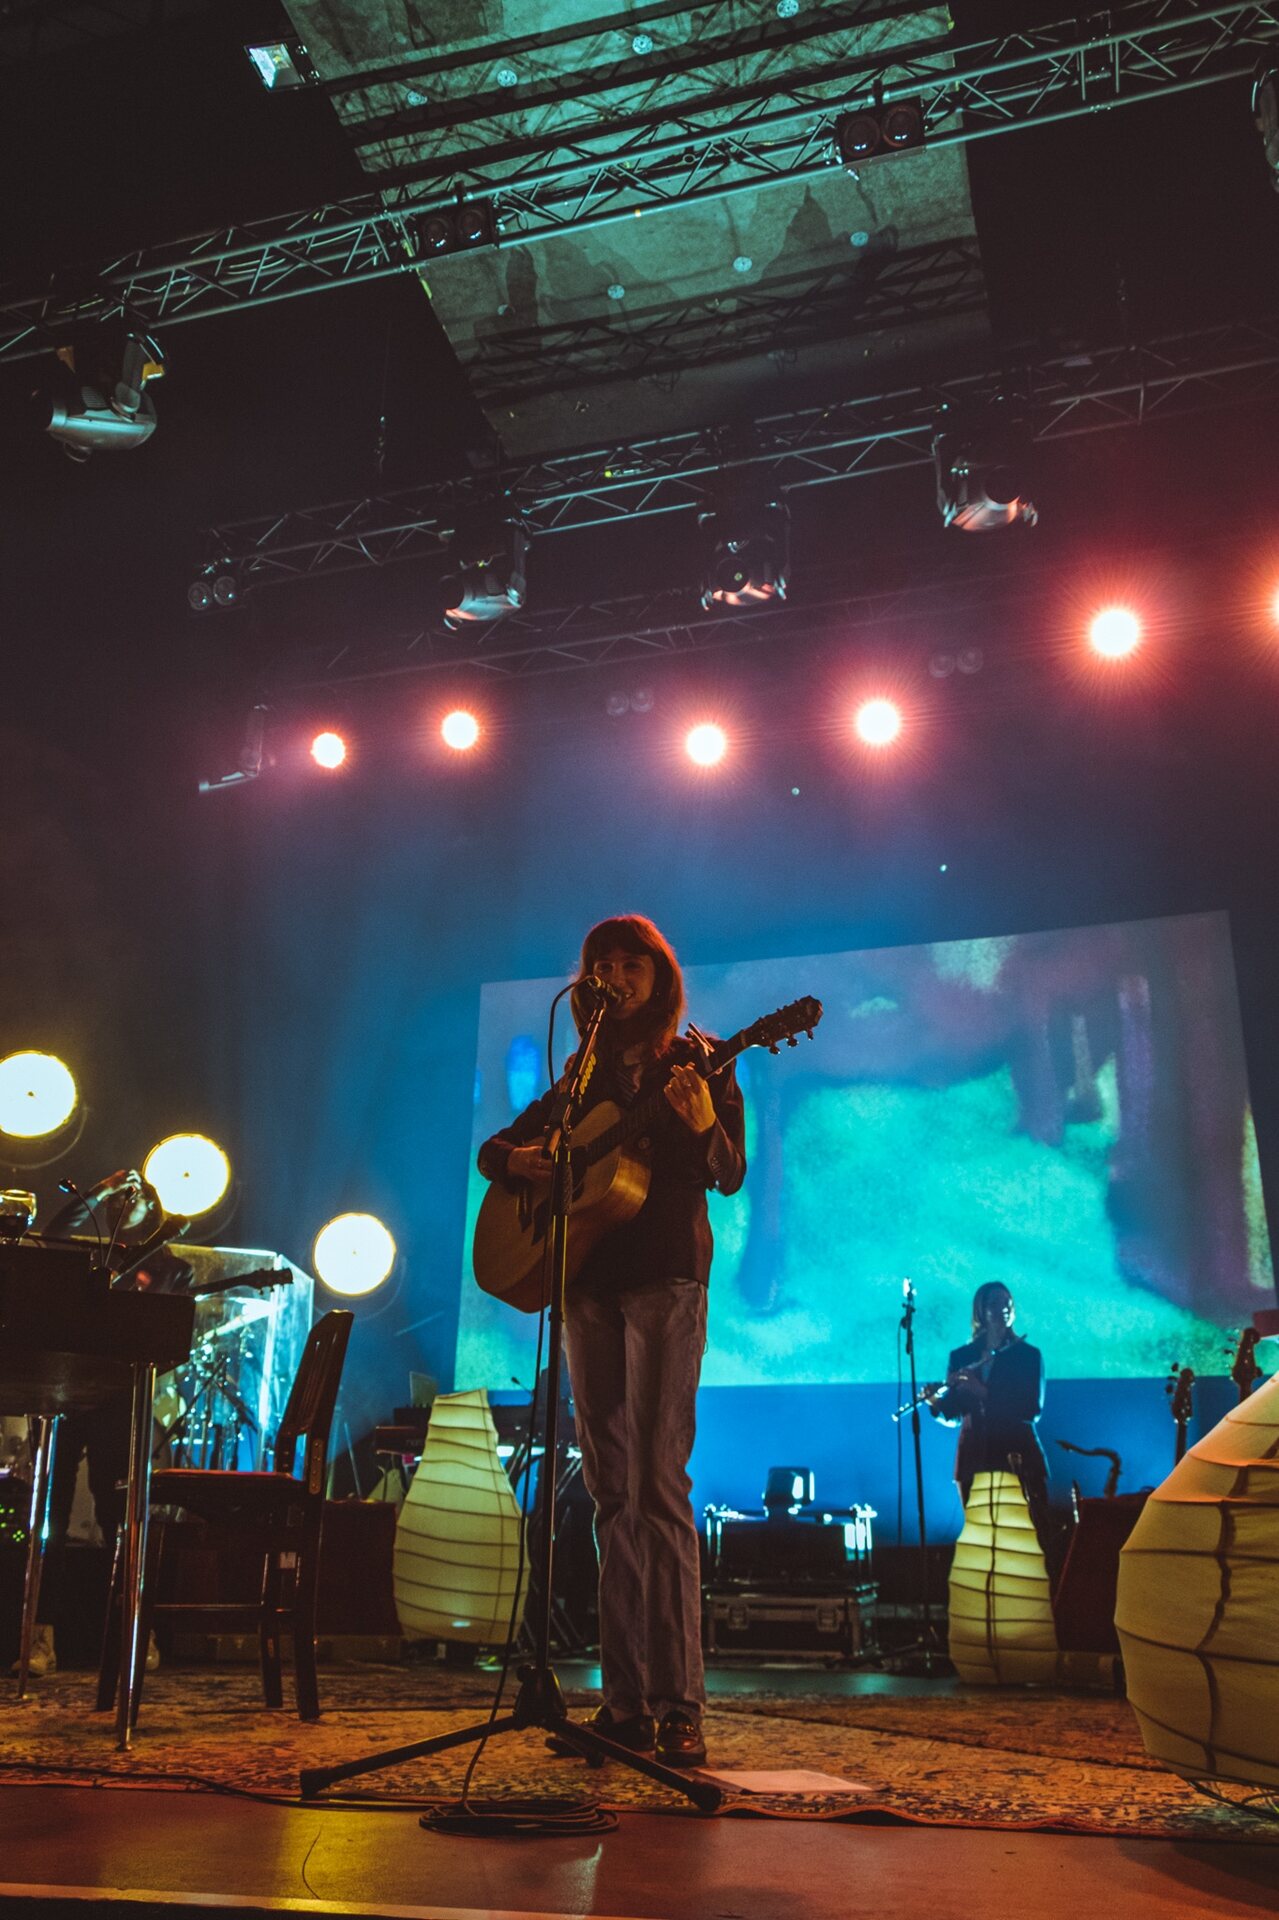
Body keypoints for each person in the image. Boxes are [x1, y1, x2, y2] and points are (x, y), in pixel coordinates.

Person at [477, 914, 746, 1768]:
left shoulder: (697, 1058)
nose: (616, 978)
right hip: (586, 1287)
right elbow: (496, 1150)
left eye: (632, 966)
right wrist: (520, 1162)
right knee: (608, 1494)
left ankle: (679, 1704)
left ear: (658, 976)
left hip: (667, 1279)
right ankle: (623, 1703)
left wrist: (704, 1122)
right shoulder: (581, 1071)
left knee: (656, 1487)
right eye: (603, 965)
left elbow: (729, 1174)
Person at [928, 1281, 1048, 1514]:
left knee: (1023, 1538)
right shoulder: (961, 1356)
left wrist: (982, 1390)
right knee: (980, 1540)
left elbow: (1031, 1410)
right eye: (994, 1302)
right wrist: (935, 1402)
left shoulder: (1027, 1355)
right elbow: (953, 1414)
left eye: (1007, 1303)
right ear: (981, 1310)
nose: (1002, 1308)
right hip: (974, 1458)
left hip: (1017, 1458)